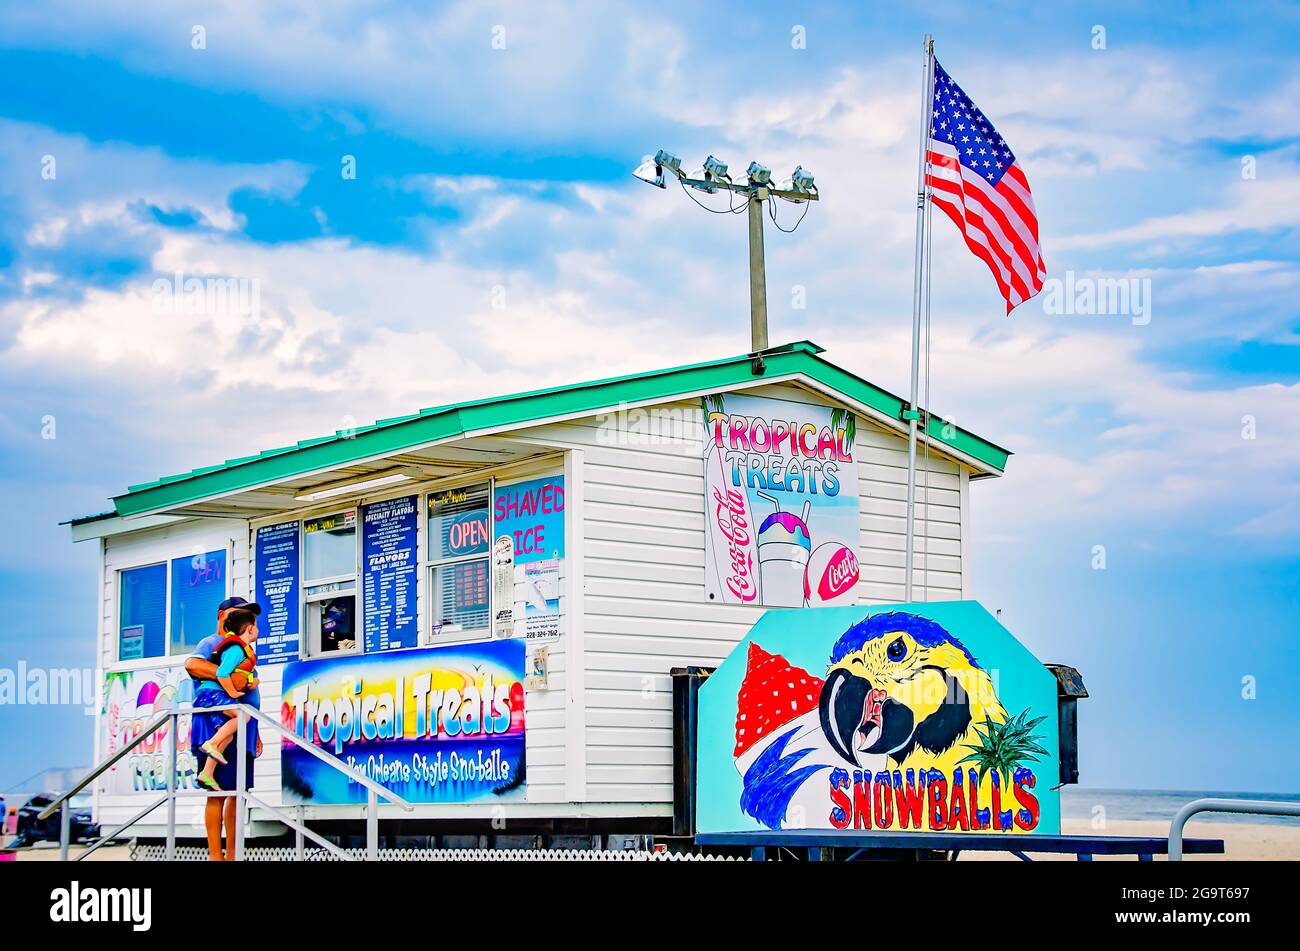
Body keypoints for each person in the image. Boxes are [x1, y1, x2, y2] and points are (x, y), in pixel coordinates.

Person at [185, 596, 262, 861]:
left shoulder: (244, 648)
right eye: (237, 613)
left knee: (238, 794)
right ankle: (216, 857)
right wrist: (229, 675)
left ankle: (233, 855)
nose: (242, 618)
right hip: (217, 729)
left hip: (244, 732)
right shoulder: (213, 643)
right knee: (217, 792)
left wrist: (257, 734)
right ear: (222, 616)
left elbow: (250, 693)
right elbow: (192, 665)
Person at [193, 609, 260, 792]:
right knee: (242, 716)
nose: (258, 630)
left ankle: (207, 773)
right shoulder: (236, 649)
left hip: (215, 696)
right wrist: (233, 693)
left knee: (228, 733)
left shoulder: (243, 651)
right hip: (210, 693)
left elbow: (239, 675)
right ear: (250, 629)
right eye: (257, 626)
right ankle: (212, 744)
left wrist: (251, 682)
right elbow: (222, 673)